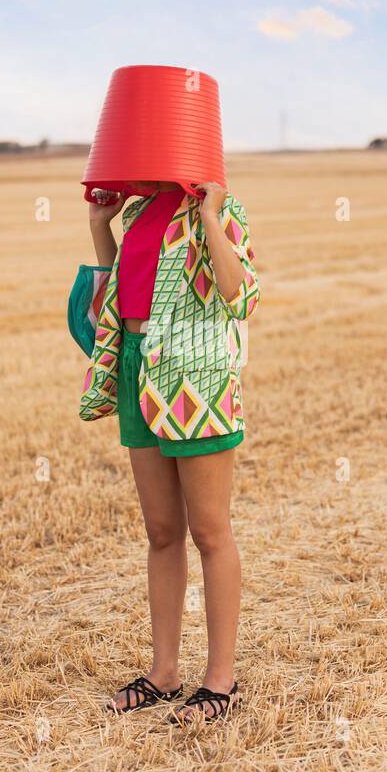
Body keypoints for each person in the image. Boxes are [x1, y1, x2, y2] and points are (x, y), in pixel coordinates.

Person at [82, 179, 260, 724]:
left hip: (194, 380)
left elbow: (241, 296)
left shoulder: (222, 208)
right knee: (161, 532)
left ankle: (220, 682)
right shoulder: (136, 210)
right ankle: (164, 674)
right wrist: (100, 227)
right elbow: (122, 291)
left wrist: (208, 217)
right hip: (136, 367)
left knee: (209, 531)